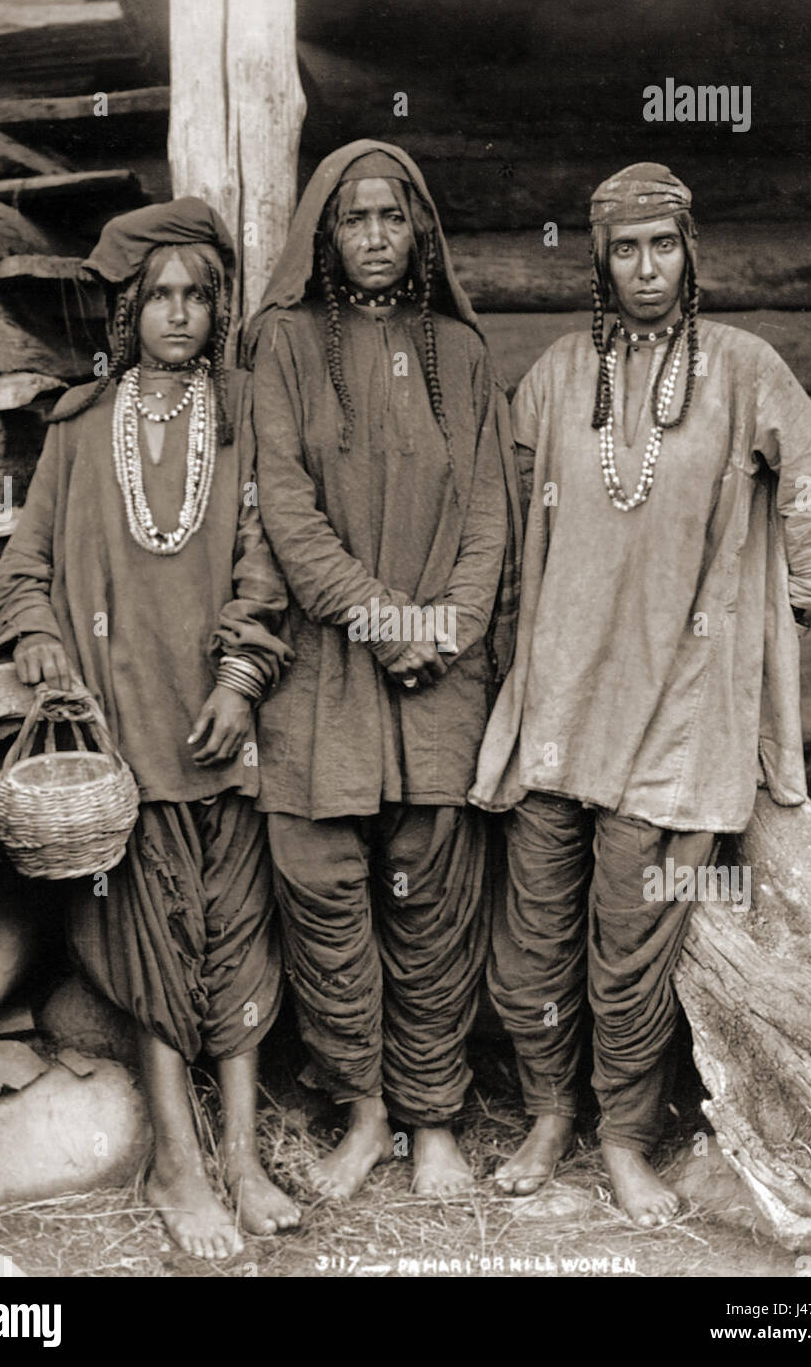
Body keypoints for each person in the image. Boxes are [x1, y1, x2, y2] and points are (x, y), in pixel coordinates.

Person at [469, 163, 811, 1226]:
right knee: (532, 943)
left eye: (663, 245)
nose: (645, 267)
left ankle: (624, 1138)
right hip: (557, 700)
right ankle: (549, 1115)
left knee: (634, 948)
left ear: (691, 252)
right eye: (624, 248)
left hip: (683, 714)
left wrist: (807, 603)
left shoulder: (743, 368)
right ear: (598, 258)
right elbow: (499, 521)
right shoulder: (554, 376)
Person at [0, 199, 298, 1258]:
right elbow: (23, 574)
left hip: (227, 733)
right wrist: (40, 641)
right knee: (156, 947)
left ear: (217, 308)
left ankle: (241, 1158)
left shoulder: (246, 416)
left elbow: (270, 562)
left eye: (199, 295)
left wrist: (243, 676)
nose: (179, 313)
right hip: (125, 740)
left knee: (239, 940)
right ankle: (175, 1163)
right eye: (158, 295)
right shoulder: (78, 428)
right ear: (126, 306)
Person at [246, 140, 521, 1199]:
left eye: (391, 218)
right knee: (321, 888)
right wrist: (375, 616)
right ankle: (362, 1113)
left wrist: (440, 629)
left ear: (419, 233)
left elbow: (491, 512)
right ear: (324, 233)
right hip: (322, 666)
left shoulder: (459, 348)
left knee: (432, 896)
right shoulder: (282, 343)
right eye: (353, 218)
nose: (372, 236)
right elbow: (284, 503)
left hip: (437, 672)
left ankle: (434, 1118)